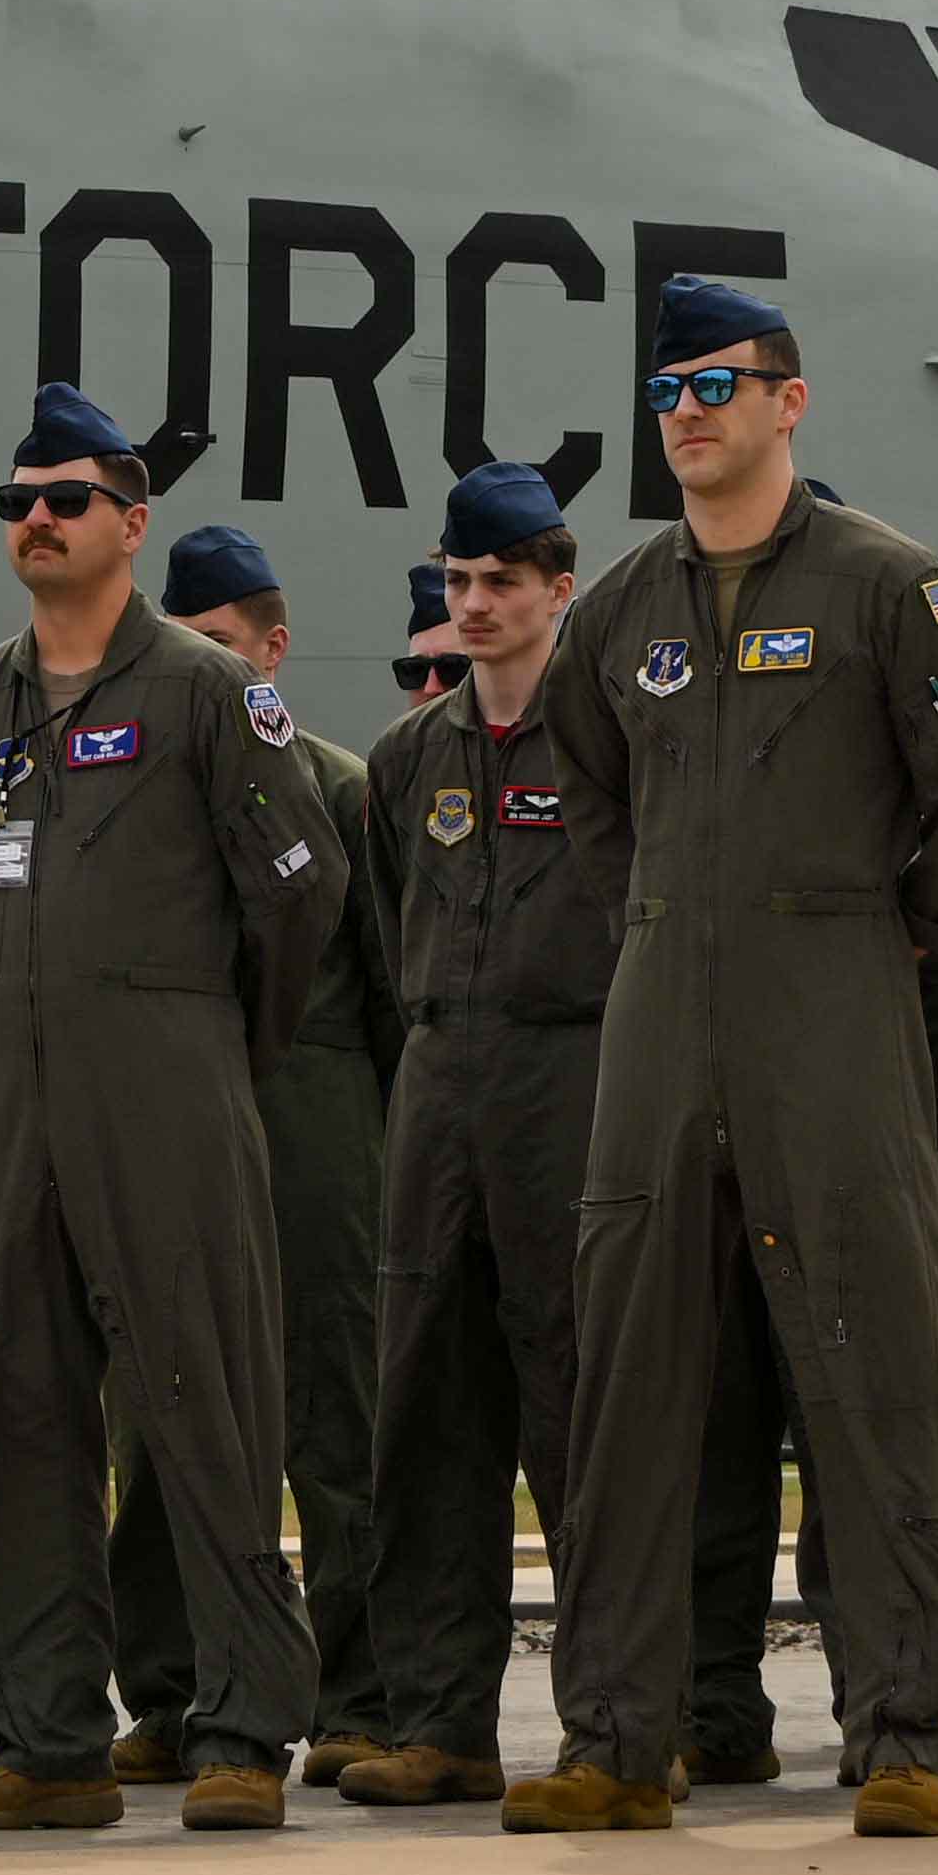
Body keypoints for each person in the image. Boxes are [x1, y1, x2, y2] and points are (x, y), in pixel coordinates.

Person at [519, 280, 938, 1837]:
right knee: (634, 1377)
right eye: (670, 385)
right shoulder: (617, 611)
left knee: (873, 1371)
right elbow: (592, 801)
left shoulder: (889, 591)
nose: (691, 408)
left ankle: (900, 1736)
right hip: (665, 1015)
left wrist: (879, 936)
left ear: (790, 403)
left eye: (721, 383)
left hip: (836, 1003)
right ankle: (619, 1735)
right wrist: (667, 926)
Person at [0, 387, 331, 1826]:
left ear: (131, 522)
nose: (37, 518)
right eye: (17, 500)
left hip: (166, 1073)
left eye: (66, 498)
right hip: (7, 1082)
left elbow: (301, 895)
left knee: (203, 1395)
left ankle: (239, 1730)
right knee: (3, 1402)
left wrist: (207, 1042)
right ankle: (41, 1742)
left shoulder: (211, 696)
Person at [349, 460, 614, 1800]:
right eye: (459, 583)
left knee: (582, 1411)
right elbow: (377, 920)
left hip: (572, 1083)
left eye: (502, 582)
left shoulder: (611, 741)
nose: (477, 603)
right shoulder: (410, 759)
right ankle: (439, 1724)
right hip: (441, 1086)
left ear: (558, 591)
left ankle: (614, 1721)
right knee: (430, 1407)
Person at [119, 525, 397, 1770]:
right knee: (163, 1416)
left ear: (273, 650)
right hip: (173, 1126)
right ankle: (173, 1694)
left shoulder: (339, 788)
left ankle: (363, 1694)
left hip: (313, 1128)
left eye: (222, 648)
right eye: (185, 649)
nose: (204, 672)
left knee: (337, 1421)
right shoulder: (137, 802)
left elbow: (394, 987)